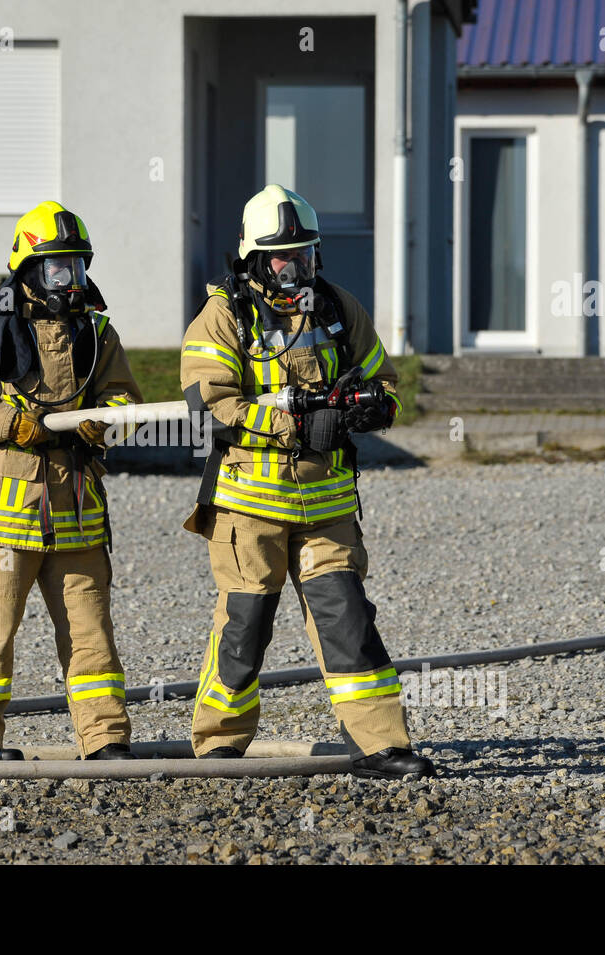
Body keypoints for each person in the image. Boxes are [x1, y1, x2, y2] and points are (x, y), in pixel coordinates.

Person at [179, 184, 435, 780]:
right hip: (249, 508)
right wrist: (286, 416)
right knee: (244, 626)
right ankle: (218, 744)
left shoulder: (340, 309)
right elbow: (207, 397)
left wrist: (373, 408)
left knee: (348, 622)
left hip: (326, 505)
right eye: (281, 257)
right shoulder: (223, 316)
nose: (295, 268)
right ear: (252, 259)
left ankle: (380, 744)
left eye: (304, 255)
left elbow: (383, 379)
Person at [0, 201, 141, 761]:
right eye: (56, 268)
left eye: (75, 267)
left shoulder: (96, 332)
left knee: (91, 637)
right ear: (28, 270)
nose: (68, 280)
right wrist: (8, 422)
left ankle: (104, 741)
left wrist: (107, 421)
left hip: (76, 514)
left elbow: (125, 398)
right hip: (2, 517)